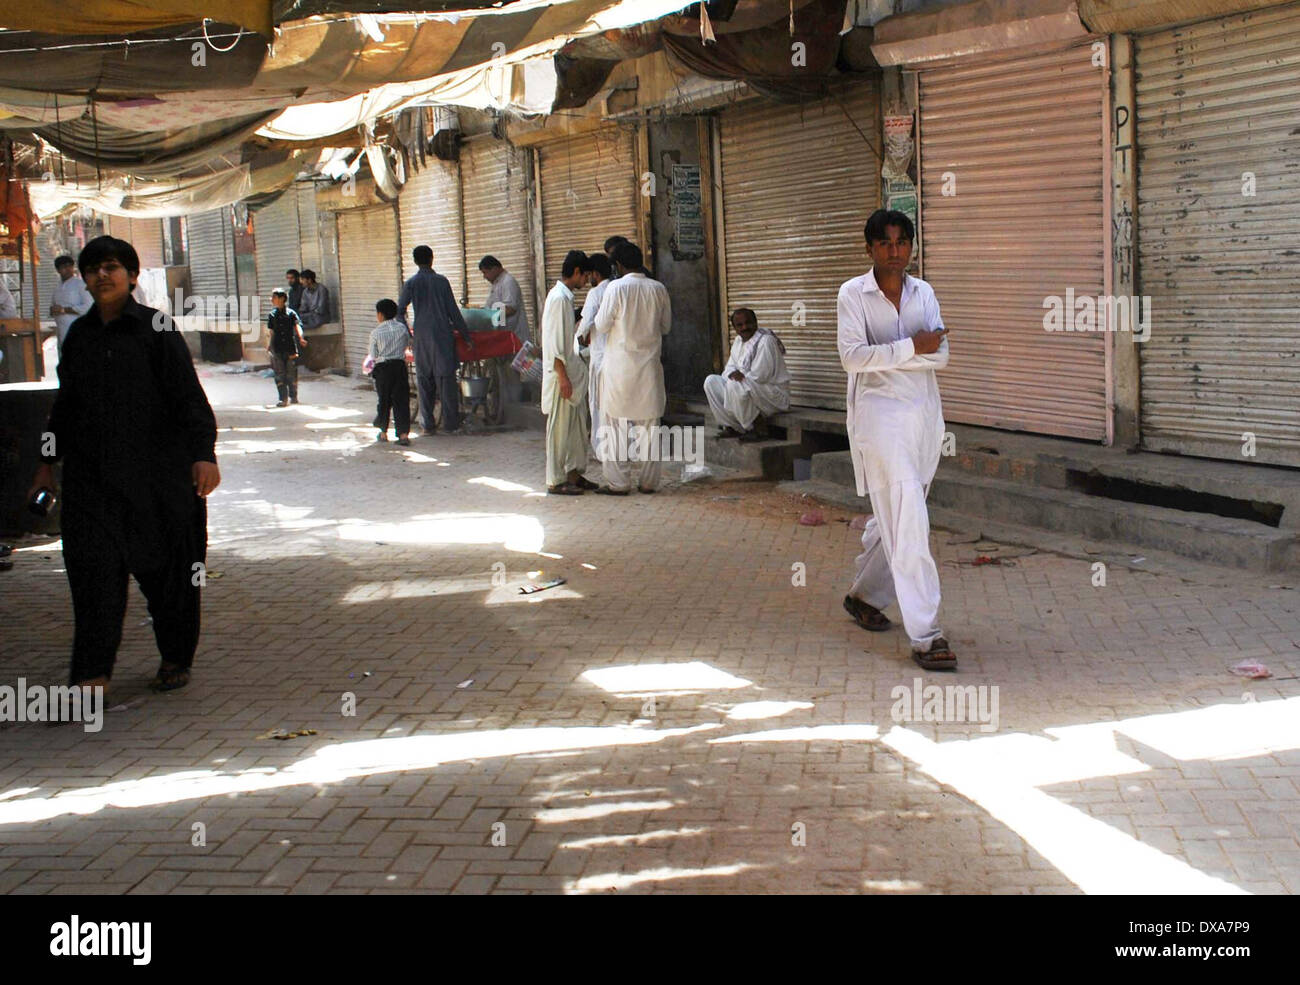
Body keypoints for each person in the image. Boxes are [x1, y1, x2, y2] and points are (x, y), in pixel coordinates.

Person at [27, 235, 220, 695]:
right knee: (92, 576)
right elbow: (64, 408)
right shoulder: (78, 339)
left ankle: (175, 656)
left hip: (159, 480)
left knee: (170, 575)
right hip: (93, 482)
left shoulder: (157, 329)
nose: (102, 275)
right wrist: (45, 463)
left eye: (112, 267)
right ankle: (93, 674)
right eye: (94, 269)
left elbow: (187, 397)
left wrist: (203, 454)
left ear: (131, 276)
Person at [838, 208, 954, 671]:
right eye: (885, 243)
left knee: (906, 516)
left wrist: (889, 354)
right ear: (869, 248)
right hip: (880, 422)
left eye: (902, 241)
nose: (894, 250)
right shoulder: (853, 294)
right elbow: (852, 357)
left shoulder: (923, 291)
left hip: (924, 419)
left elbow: (941, 355)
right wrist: (912, 347)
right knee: (909, 523)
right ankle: (927, 634)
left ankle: (864, 595)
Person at [592, 242, 671, 495]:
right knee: (649, 427)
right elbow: (666, 326)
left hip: (619, 370)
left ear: (618, 266)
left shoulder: (615, 288)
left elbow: (602, 325)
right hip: (648, 368)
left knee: (614, 426)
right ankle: (649, 482)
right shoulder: (658, 289)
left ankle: (619, 483)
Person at [541, 251, 594, 495]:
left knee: (574, 430)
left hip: (570, 373)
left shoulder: (564, 297)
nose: (586, 280)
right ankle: (556, 479)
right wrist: (562, 376)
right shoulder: (559, 299)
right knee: (559, 430)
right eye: (584, 275)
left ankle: (574, 474)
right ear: (576, 272)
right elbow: (555, 344)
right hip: (562, 376)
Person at [400, 245, 467, 435]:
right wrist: (466, 335)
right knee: (446, 381)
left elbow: (399, 311)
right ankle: (451, 424)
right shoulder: (441, 281)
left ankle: (428, 426)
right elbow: (453, 311)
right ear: (432, 258)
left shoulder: (411, 283)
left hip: (421, 336)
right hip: (442, 336)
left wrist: (409, 334)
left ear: (415, 261)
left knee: (424, 381)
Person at [704, 307, 791, 442]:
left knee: (735, 384)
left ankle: (758, 428)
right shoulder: (738, 342)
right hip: (753, 390)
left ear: (755, 322)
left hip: (774, 396)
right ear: (735, 328)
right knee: (710, 382)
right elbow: (728, 370)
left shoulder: (765, 341)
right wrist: (734, 375)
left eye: (748, 323)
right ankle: (732, 426)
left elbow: (760, 376)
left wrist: (738, 375)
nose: (745, 327)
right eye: (740, 325)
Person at [576, 253, 613, 455]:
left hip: (599, 358)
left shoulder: (596, 293)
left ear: (595, 274)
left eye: (589, 274)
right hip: (618, 358)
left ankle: (602, 449)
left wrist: (578, 339)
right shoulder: (617, 289)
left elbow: (585, 326)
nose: (587, 278)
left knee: (598, 404)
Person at [369, 298, 411, 445]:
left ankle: (383, 432)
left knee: (384, 400)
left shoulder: (376, 332)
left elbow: (373, 355)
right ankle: (403, 434)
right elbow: (407, 345)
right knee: (402, 400)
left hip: (383, 369)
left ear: (380, 314)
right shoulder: (402, 328)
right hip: (399, 366)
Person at [266, 288, 307, 407]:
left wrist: (301, 338)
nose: (272, 300)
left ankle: (293, 396)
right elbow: (271, 331)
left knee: (291, 374)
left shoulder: (291, 314)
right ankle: (282, 399)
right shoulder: (272, 315)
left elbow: (297, 326)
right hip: (277, 347)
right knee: (279, 374)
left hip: (290, 347)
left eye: (274, 297)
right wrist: (269, 345)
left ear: (282, 299)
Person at [478, 255, 528, 344]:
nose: (484, 277)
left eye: (485, 272)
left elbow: (510, 309)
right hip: (504, 338)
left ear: (494, 269)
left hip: (514, 337)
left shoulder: (508, 281)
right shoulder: (497, 283)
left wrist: (488, 315)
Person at [50, 255, 93, 348]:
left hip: (79, 333)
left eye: (70, 266)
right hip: (62, 333)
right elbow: (53, 307)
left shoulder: (81, 284)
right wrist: (53, 311)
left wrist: (65, 310)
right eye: (64, 267)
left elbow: (89, 307)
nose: (68, 269)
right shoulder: (57, 288)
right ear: (58, 270)